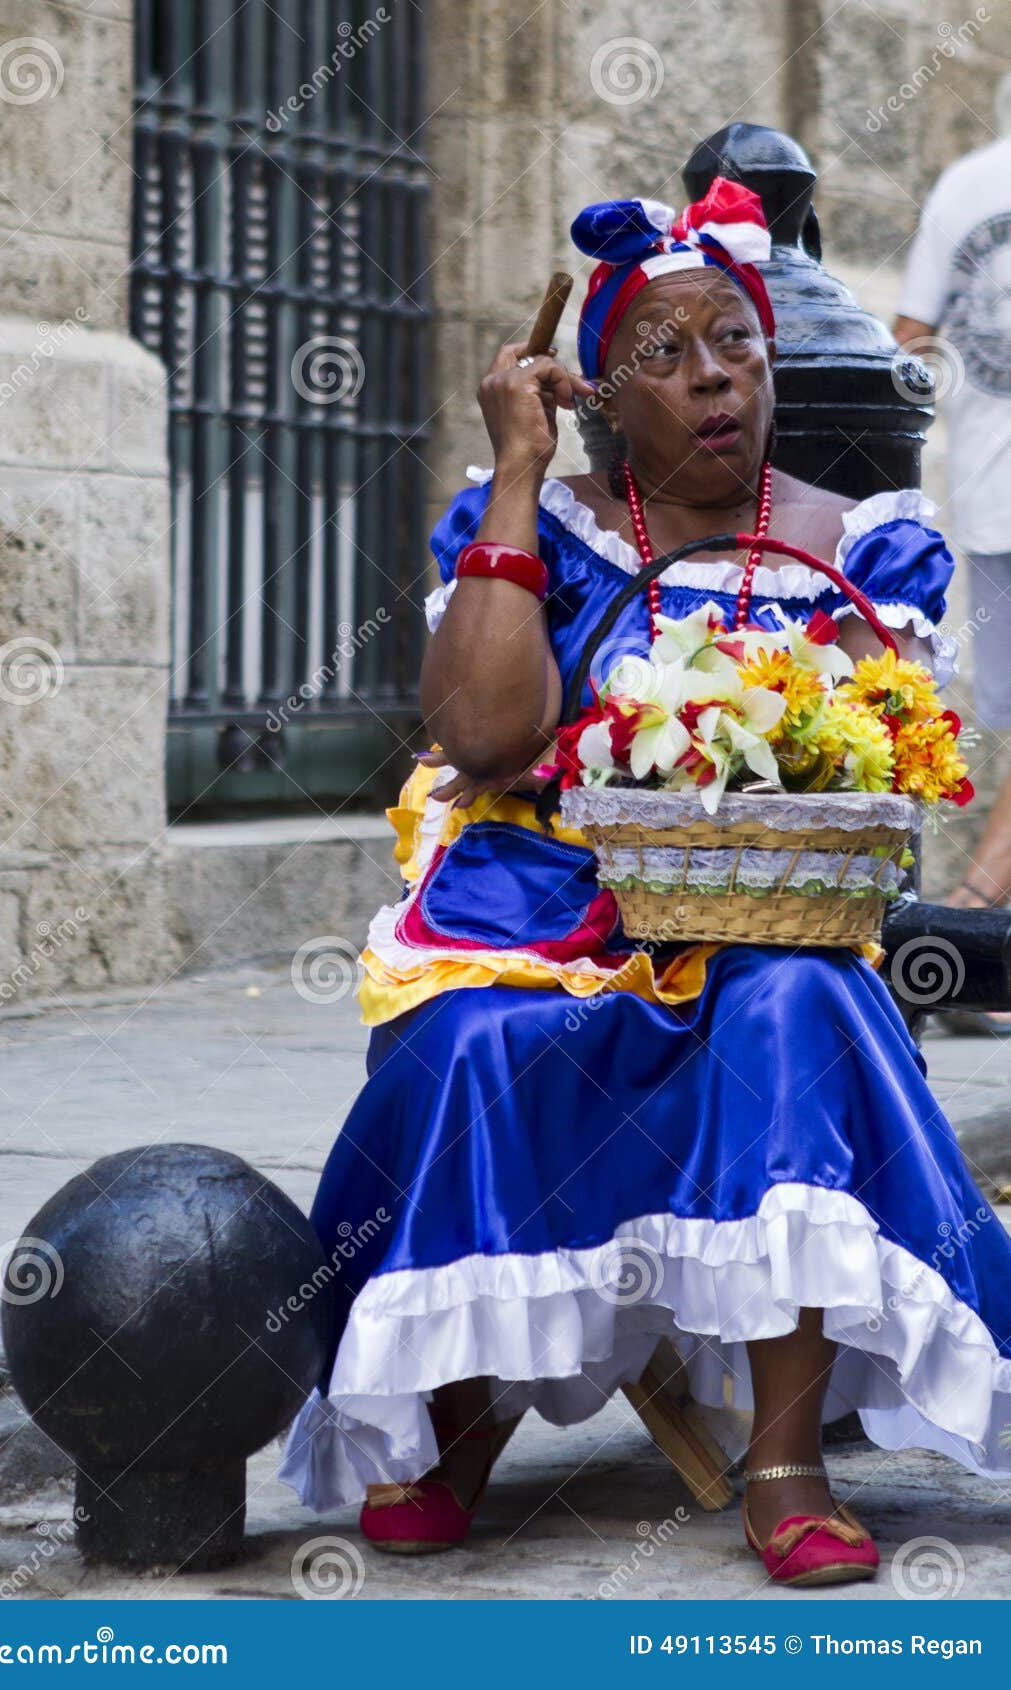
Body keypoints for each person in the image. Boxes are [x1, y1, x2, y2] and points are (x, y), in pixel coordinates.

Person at [279, 179, 1011, 1588]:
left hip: (753, 915)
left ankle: (782, 1454)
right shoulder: (545, 529)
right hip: (542, 905)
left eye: (730, 343)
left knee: (794, 1004)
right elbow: (486, 737)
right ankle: (460, 1404)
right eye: (662, 354)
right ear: (605, 393)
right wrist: (510, 468)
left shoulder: (852, 548)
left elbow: (876, 773)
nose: (709, 378)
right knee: (471, 1037)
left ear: (767, 361)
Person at [895, 72, 1011, 920]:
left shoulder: (962, 186)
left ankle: (974, 919)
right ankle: (975, 928)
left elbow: (910, 343)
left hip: (985, 488)